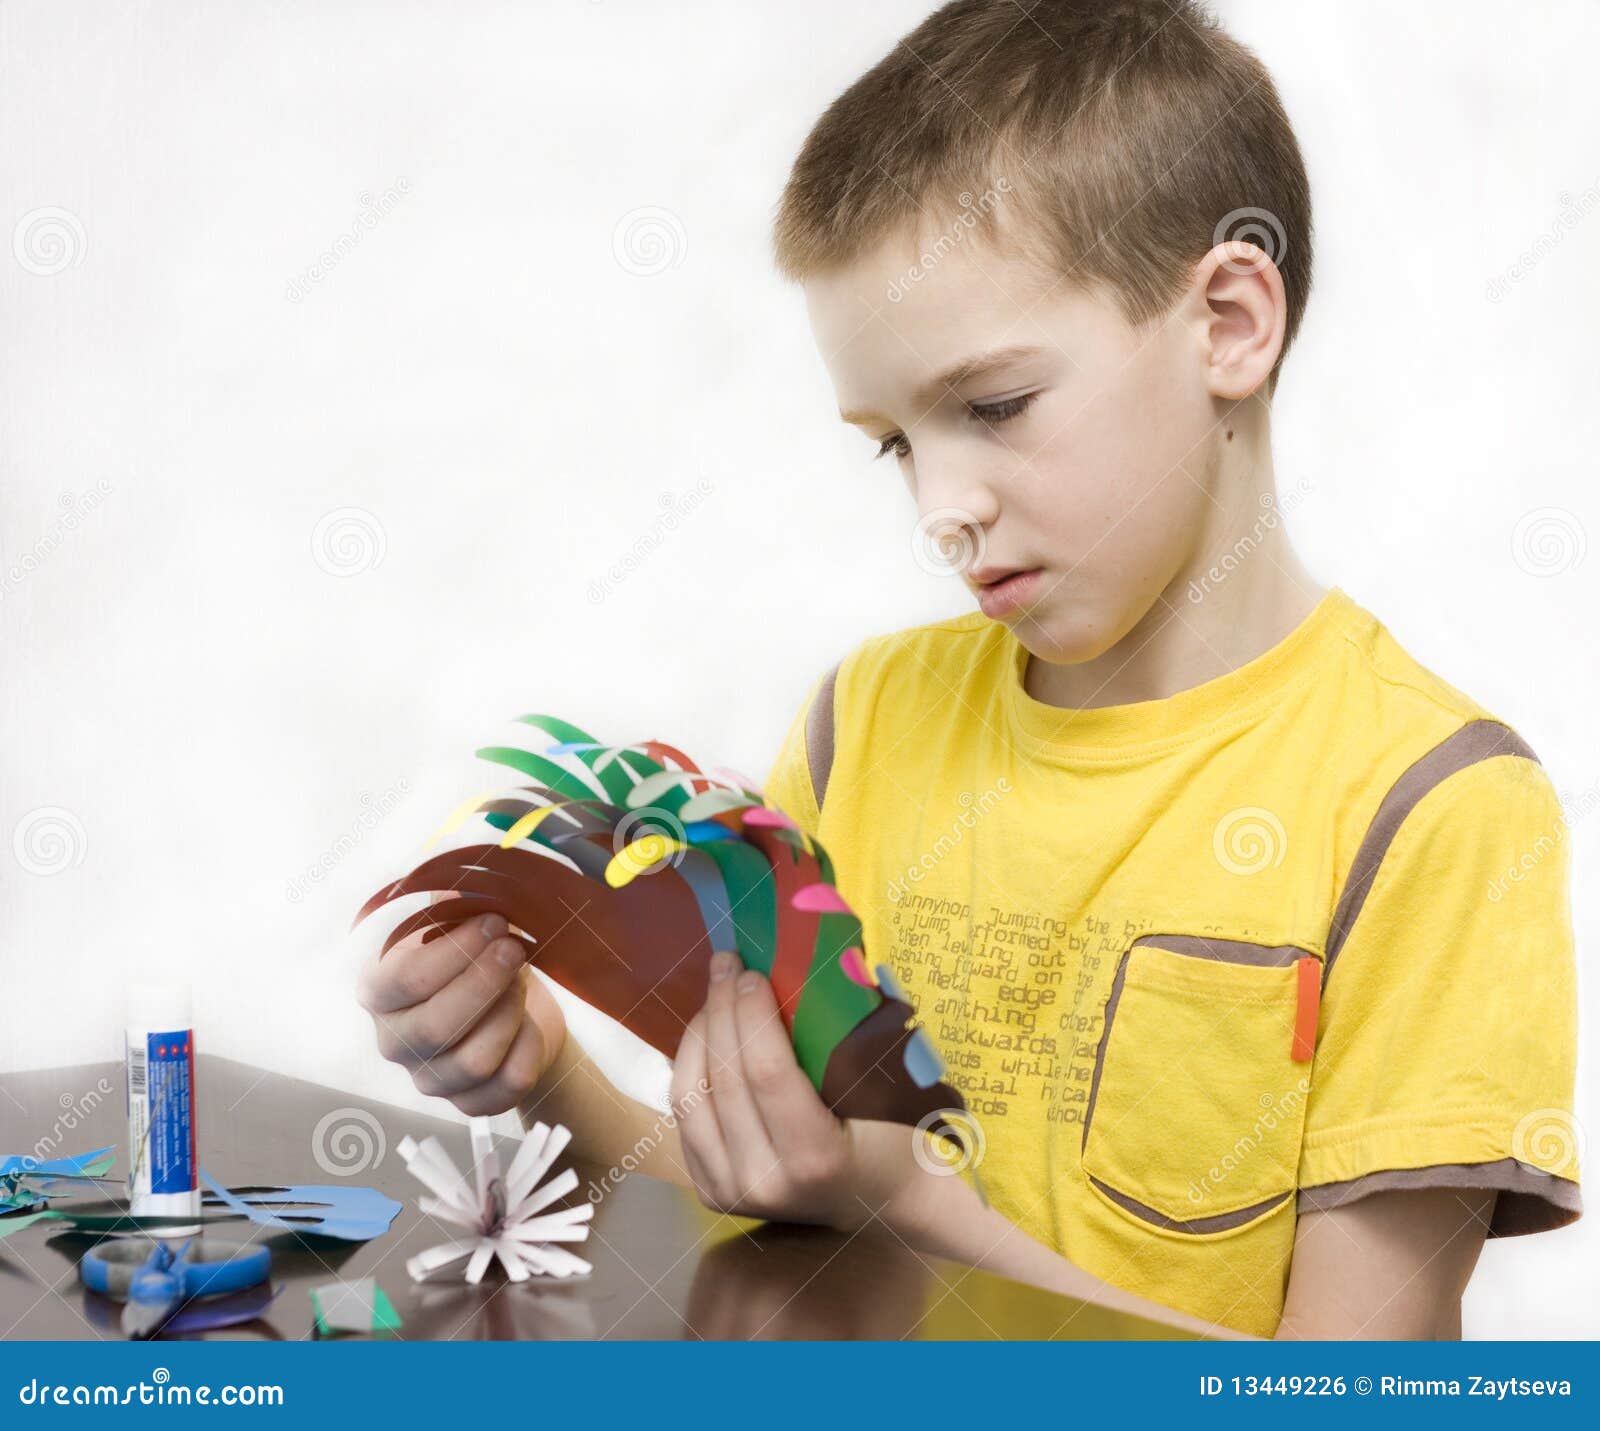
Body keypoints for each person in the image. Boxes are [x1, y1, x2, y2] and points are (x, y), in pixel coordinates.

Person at [360, 0, 1580, 1338]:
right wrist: (549, 1082)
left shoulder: (1428, 806)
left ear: (1230, 321)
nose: (943, 506)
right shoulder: (865, 725)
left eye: (993, 408)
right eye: (895, 442)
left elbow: (1352, 1404)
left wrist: (914, 1203)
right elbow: (773, 1241)